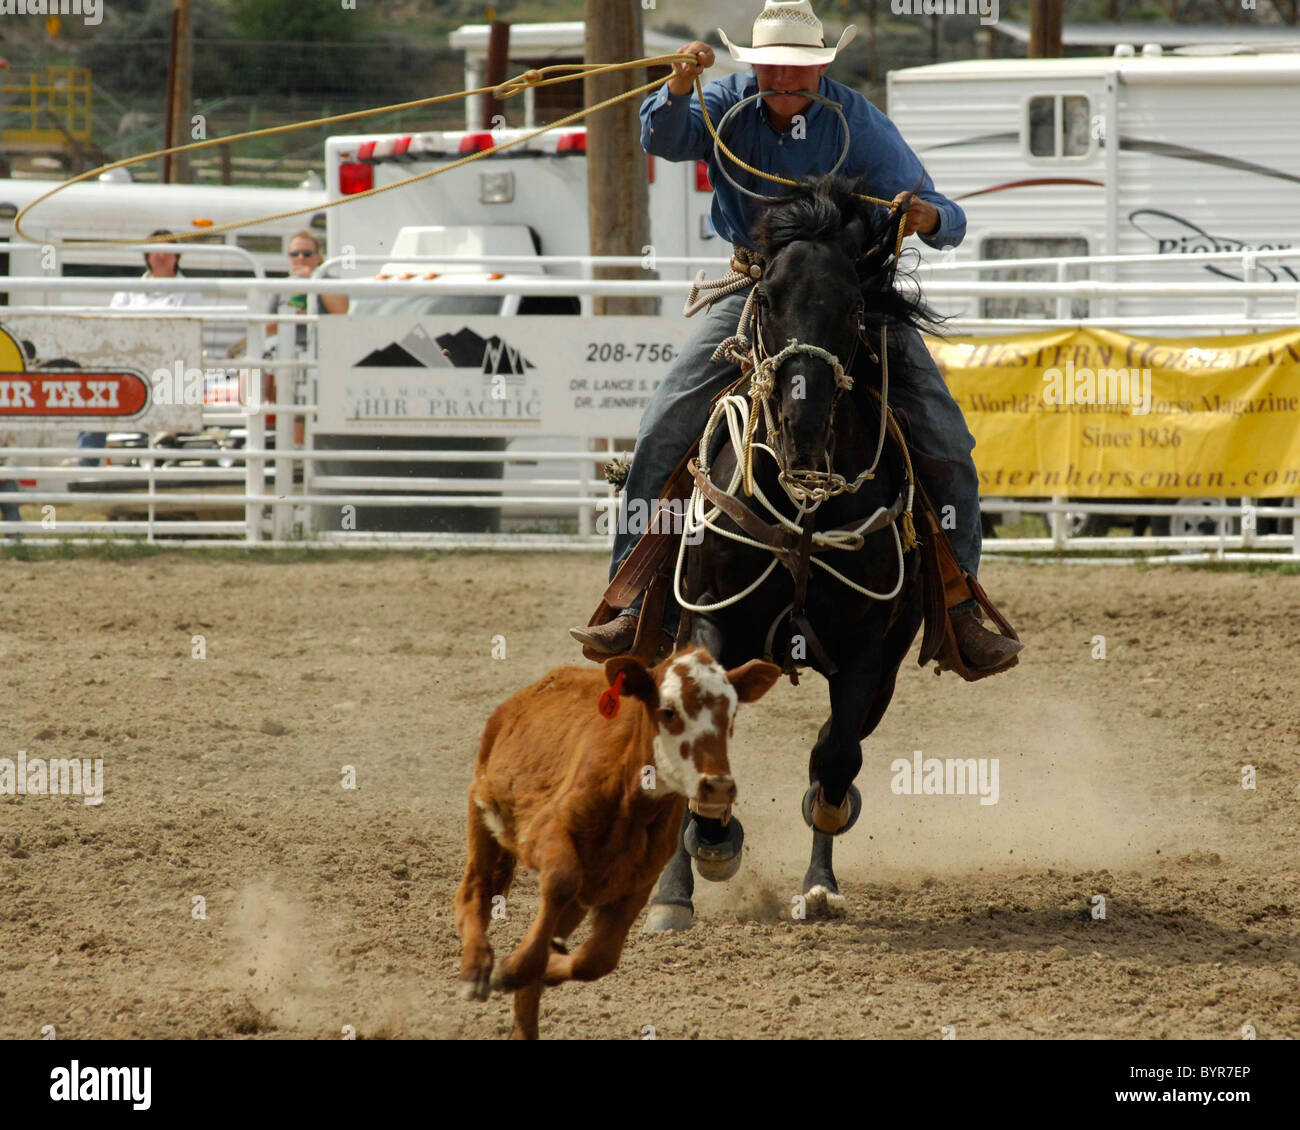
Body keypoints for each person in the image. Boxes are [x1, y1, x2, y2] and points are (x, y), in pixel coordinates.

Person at [570, 0, 1023, 674]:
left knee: (945, 439)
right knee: (664, 427)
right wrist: (675, 84)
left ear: (819, 71)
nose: (785, 80)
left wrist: (927, 216)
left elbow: (944, 213)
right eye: (773, 67)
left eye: (799, 69)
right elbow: (664, 138)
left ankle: (957, 607)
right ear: (755, 67)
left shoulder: (858, 125)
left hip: (850, 298)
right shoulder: (722, 102)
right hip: (759, 290)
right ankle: (635, 601)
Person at [82, 230, 205, 465]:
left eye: (166, 250)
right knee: (96, 385)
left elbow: (191, 332)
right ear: (146, 256)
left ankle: (163, 440)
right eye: (155, 250)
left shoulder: (190, 290)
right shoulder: (130, 289)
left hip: (170, 363)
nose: (160, 256)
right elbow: (112, 326)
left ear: (176, 256)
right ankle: (87, 460)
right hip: (130, 361)